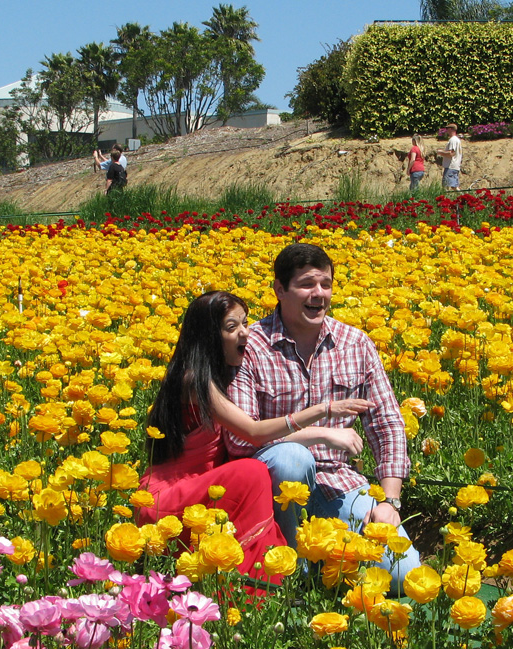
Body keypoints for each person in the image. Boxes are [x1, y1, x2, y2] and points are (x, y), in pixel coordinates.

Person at [136, 290, 371, 585]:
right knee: (251, 472)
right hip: (170, 499)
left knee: (249, 471)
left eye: (245, 323)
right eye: (232, 327)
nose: (245, 333)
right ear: (209, 336)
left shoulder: (221, 375)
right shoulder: (195, 380)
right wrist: (324, 411)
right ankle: (259, 581)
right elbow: (253, 432)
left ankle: (264, 573)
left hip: (205, 490)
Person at [226, 243, 423, 592]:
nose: (319, 294)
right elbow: (241, 440)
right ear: (280, 289)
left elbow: (387, 424)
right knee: (292, 459)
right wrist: (319, 433)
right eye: (306, 284)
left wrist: (390, 501)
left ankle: (323, 564)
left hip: (338, 482)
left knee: (402, 576)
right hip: (271, 486)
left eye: (326, 284)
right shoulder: (251, 345)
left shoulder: (355, 343)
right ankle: (292, 573)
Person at [436, 123, 462, 191]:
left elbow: (451, 153)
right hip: (455, 166)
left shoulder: (453, 140)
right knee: (454, 187)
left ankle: (445, 197)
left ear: (451, 129)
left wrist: (440, 152)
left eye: (447, 129)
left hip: (450, 166)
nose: (446, 130)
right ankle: (462, 196)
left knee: (445, 186)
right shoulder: (457, 140)